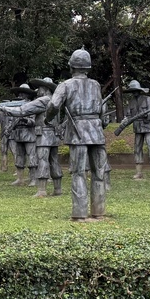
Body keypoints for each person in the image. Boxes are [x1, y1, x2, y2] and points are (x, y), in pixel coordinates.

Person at [46, 50, 109, 221]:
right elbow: (103, 111)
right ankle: (99, 211)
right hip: (96, 130)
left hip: (78, 131)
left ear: (71, 66)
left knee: (79, 173)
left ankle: (80, 213)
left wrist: (48, 118)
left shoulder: (66, 85)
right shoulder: (95, 85)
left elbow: (53, 104)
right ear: (87, 67)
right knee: (99, 173)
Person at [0, 77, 62, 197]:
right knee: (54, 161)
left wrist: (3, 108)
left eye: (40, 88)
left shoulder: (43, 100)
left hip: (44, 134)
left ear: (45, 89)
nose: (38, 91)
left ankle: (42, 190)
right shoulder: (55, 100)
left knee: (42, 160)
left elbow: (22, 110)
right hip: (53, 135)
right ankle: (57, 189)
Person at [115, 80, 150, 180]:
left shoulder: (147, 99)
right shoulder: (131, 102)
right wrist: (124, 122)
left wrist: (147, 115)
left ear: (139, 90)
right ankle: (139, 172)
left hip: (148, 127)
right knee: (137, 149)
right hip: (137, 128)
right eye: (133, 91)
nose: (134, 92)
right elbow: (128, 115)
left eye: (136, 90)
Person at [5, 84, 38, 186]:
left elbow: (34, 121)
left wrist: (24, 119)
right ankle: (20, 179)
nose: (20, 96)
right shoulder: (16, 106)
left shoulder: (33, 105)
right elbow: (12, 119)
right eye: (19, 94)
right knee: (19, 157)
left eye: (22, 94)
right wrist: (10, 128)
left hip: (29, 134)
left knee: (32, 157)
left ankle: (33, 179)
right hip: (18, 134)